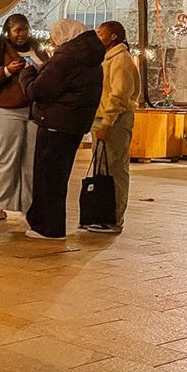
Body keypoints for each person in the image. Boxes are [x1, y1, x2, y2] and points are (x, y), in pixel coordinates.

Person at [20, 19, 104, 240]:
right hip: (74, 125)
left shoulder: (67, 58)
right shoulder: (90, 57)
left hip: (55, 123)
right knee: (58, 176)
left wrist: (28, 75)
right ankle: (48, 223)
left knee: (48, 178)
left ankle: (48, 227)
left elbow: (40, 90)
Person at [0, 14, 48, 221]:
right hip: (4, 110)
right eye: (17, 30)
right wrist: (6, 71)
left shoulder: (38, 52)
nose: (21, 34)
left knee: (31, 160)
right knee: (6, 157)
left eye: (24, 29)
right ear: (7, 31)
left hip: (33, 113)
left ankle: (29, 205)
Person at [87, 21, 139, 234]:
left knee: (114, 169)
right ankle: (101, 215)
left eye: (101, 33)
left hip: (114, 122)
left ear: (113, 37)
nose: (97, 37)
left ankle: (113, 218)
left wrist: (107, 122)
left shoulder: (121, 61)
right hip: (102, 119)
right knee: (102, 169)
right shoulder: (107, 60)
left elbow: (118, 96)